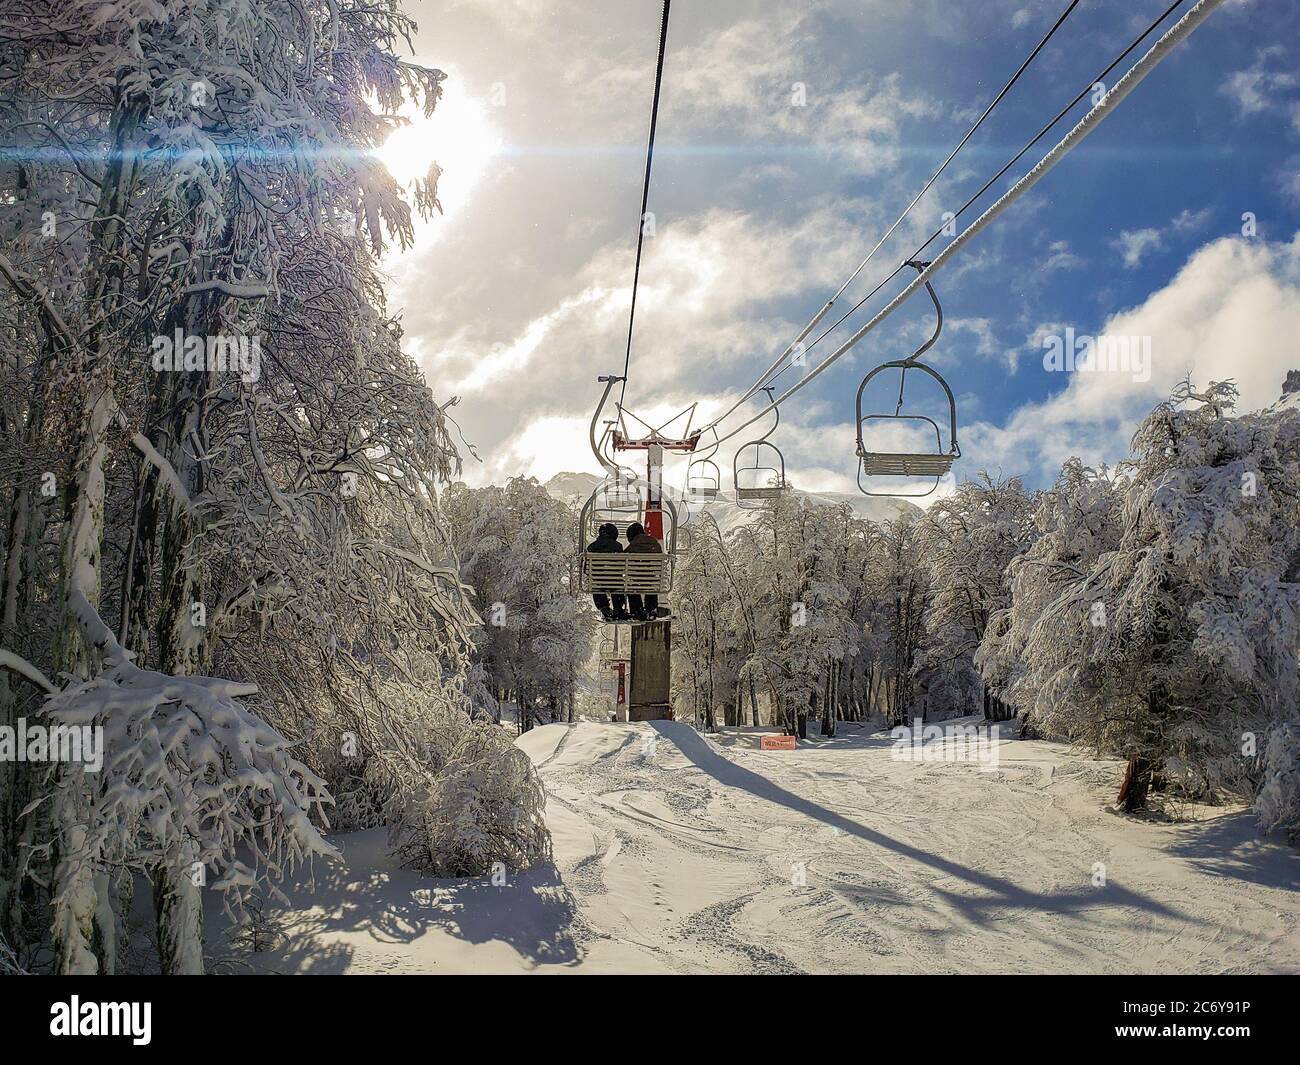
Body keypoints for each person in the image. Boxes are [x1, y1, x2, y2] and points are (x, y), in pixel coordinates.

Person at [623, 521, 668, 621]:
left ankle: (637, 611)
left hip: (636, 582)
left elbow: (623, 562)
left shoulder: (632, 547)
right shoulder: (655, 544)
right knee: (650, 583)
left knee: (631, 586)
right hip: (652, 581)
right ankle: (651, 609)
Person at [586, 522, 629, 622]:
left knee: (595, 584)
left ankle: (604, 608)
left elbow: (587, 569)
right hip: (615, 582)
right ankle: (618, 609)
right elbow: (622, 566)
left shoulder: (591, 547)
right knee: (618, 582)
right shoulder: (618, 546)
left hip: (599, 582)